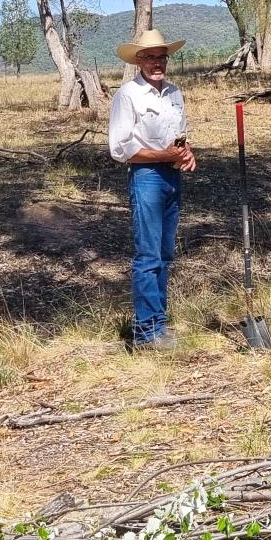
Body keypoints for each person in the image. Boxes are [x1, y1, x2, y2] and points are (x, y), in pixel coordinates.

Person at [110, 28, 196, 350]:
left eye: (162, 57)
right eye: (150, 58)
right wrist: (165, 156)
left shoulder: (174, 93)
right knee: (148, 256)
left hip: (172, 176)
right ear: (139, 61)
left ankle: (159, 324)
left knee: (165, 253)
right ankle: (145, 333)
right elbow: (121, 149)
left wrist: (186, 154)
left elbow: (179, 136)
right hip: (146, 176)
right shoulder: (128, 95)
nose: (157, 63)